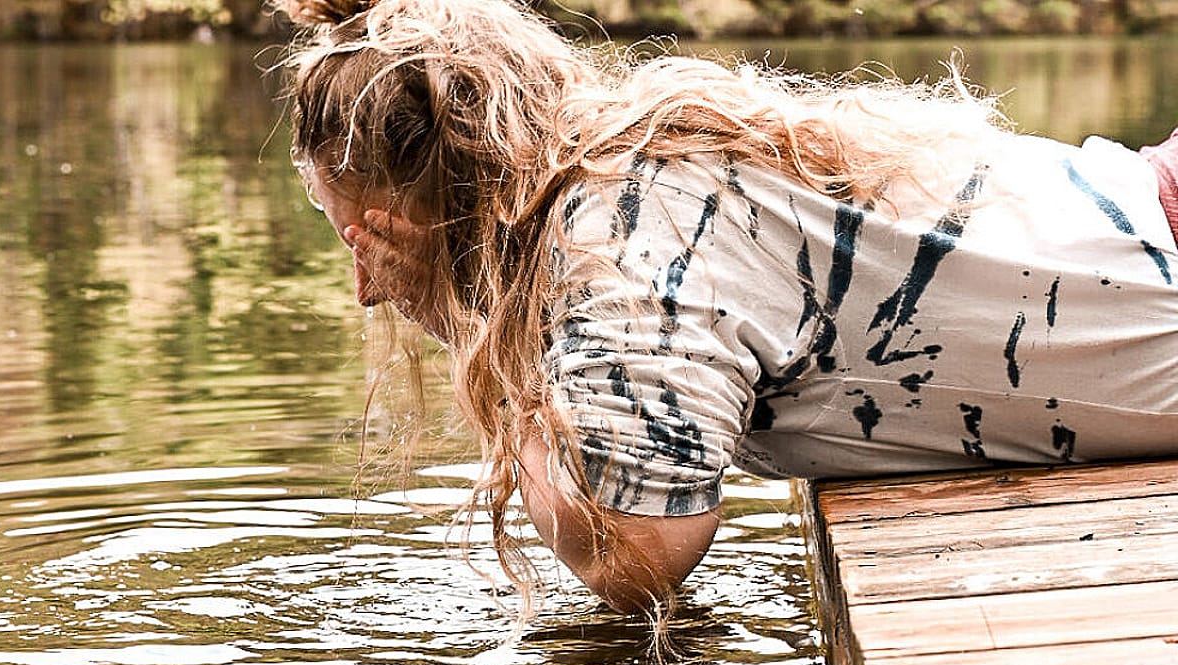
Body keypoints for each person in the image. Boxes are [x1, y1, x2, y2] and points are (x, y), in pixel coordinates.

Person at [275, 0, 1178, 620]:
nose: (367, 287)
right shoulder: (622, 169)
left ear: (441, 206)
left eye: (366, 239)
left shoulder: (624, 237)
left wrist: (470, 319)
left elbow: (637, 554)